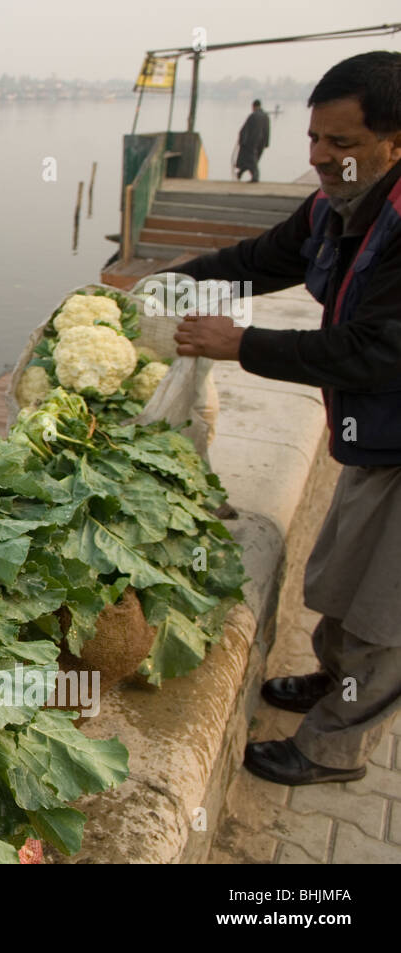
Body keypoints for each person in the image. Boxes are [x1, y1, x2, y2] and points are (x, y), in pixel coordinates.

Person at [173, 52, 401, 786]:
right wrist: (174, 280)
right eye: (314, 139)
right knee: (343, 578)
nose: (320, 158)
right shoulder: (341, 202)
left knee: (385, 613)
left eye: (342, 144)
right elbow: (266, 257)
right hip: (376, 433)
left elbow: (372, 352)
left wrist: (239, 344)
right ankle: (333, 681)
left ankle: (334, 749)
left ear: (394, 143)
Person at [236, 99, 271, 182]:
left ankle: (255, 177)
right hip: (261, 143)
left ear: (254, 106)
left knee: (251, 160)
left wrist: (242, 141)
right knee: (252, 160)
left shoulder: (253, 116)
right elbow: (267, 130)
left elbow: (245, 129)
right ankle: (240, 173)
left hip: (251, 142)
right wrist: (267, 142)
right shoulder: (266, 116)